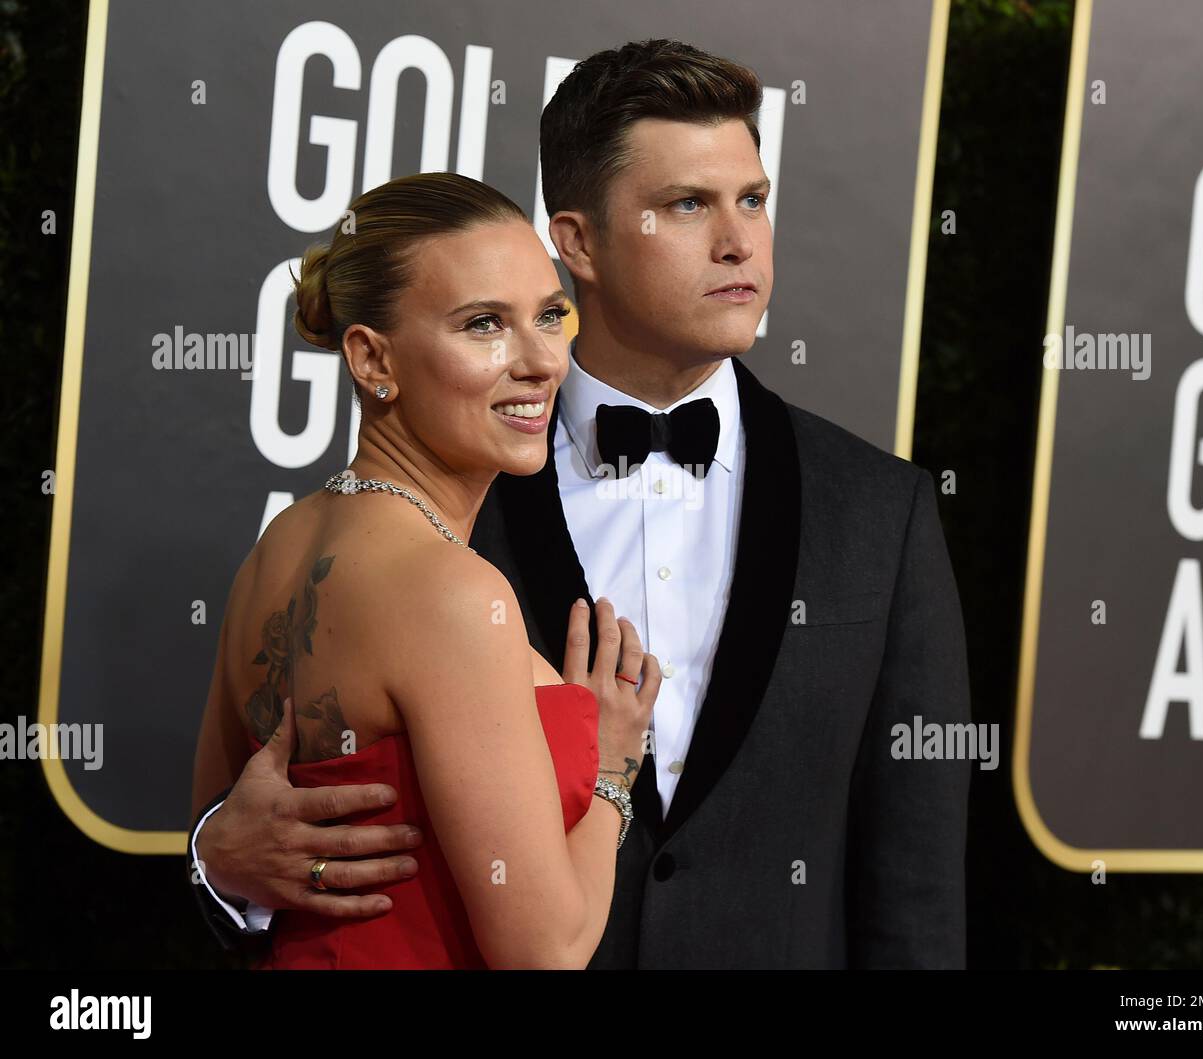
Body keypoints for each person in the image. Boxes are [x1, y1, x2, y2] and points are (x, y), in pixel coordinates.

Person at [190, 39, 971, 969]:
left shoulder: (883, 508)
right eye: (687, 204)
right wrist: (215, 863)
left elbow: (916, 884)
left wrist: (212, 859)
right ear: (578, 242)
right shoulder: (452, 498)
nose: (739, 241)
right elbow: (249, 805)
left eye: (753, 199)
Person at [190, 171, 660, 969]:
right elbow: (545, 953)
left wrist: (209, 858)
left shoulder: (274, 550)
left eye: (551, 315)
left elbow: (218, 829)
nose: (542, 361)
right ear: (374, 358)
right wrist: (613, 768)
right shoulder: (451, 590)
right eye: (484, 325)